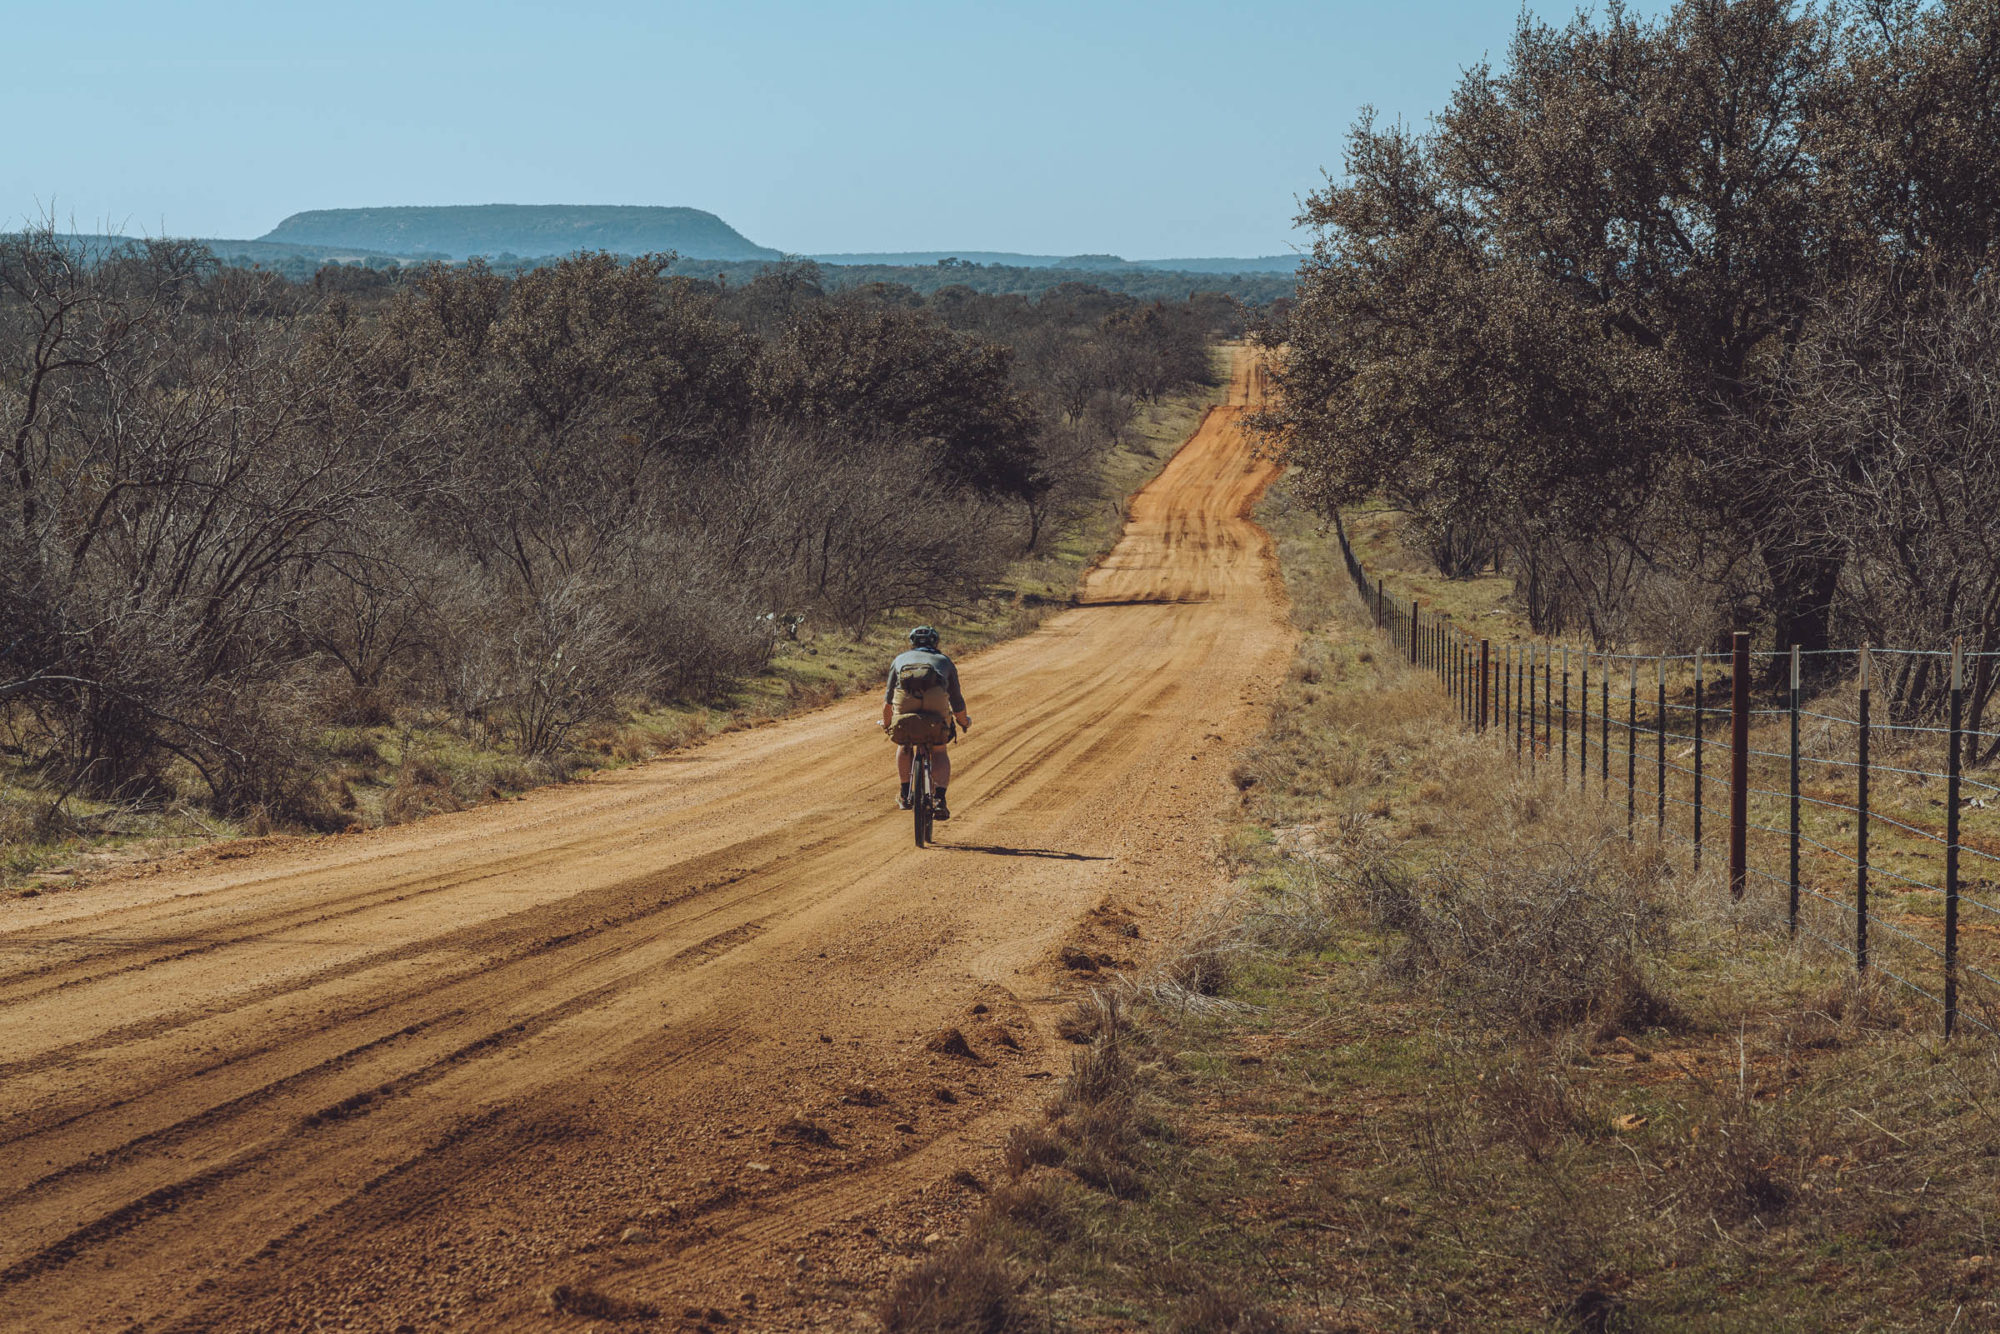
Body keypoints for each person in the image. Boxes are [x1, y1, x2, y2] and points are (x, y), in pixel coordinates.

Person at [880, 625, 971, 818]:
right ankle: (939, 798)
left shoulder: (899, 660)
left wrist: (888, 724)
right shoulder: (944, 661)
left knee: (904, 745)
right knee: (939, 749)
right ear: (936, 643)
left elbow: (888, 701)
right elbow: (956, 700)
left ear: (912, 643)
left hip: (905, 704)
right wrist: (964, 722)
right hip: (936, 705)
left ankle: (905, 793)